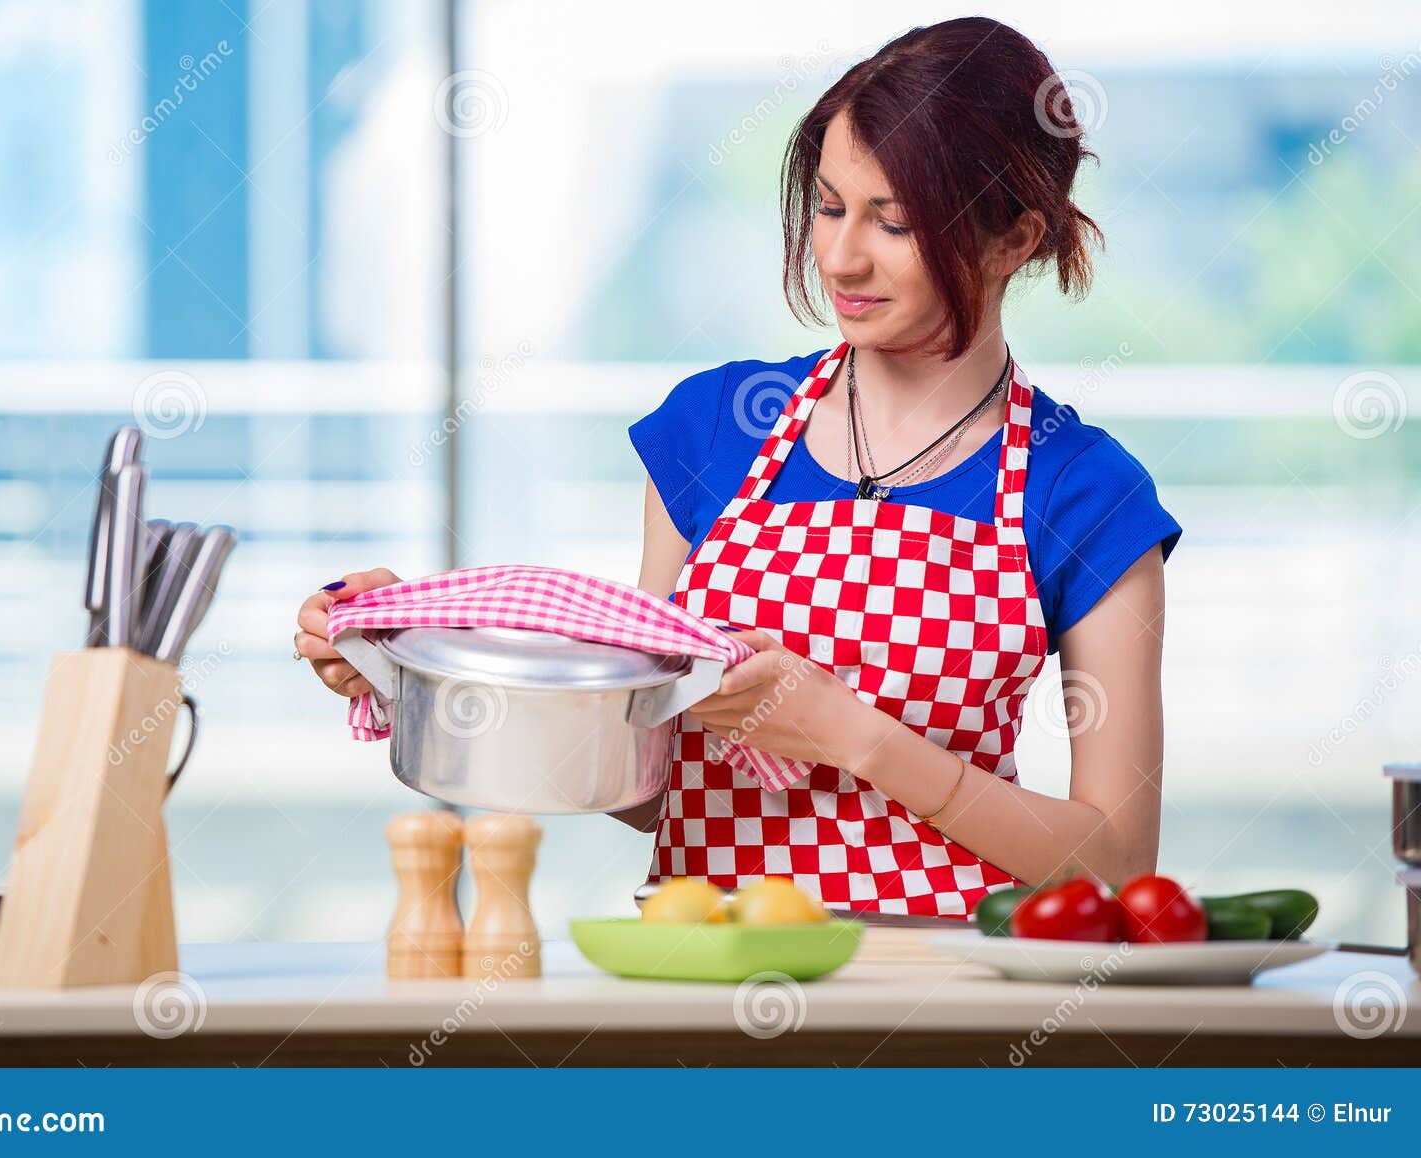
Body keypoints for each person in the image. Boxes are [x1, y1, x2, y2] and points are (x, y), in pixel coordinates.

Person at [295, 16, 1181, 916]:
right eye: (831, 208)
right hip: (701, 978)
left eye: (896, 223)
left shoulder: (1087, 493)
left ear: (1013, 240)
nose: (840, 257)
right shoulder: (716, 430)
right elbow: (638, 788)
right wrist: (417, 669)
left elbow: (1115, 863)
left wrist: (853, 736)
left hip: (946, 987)